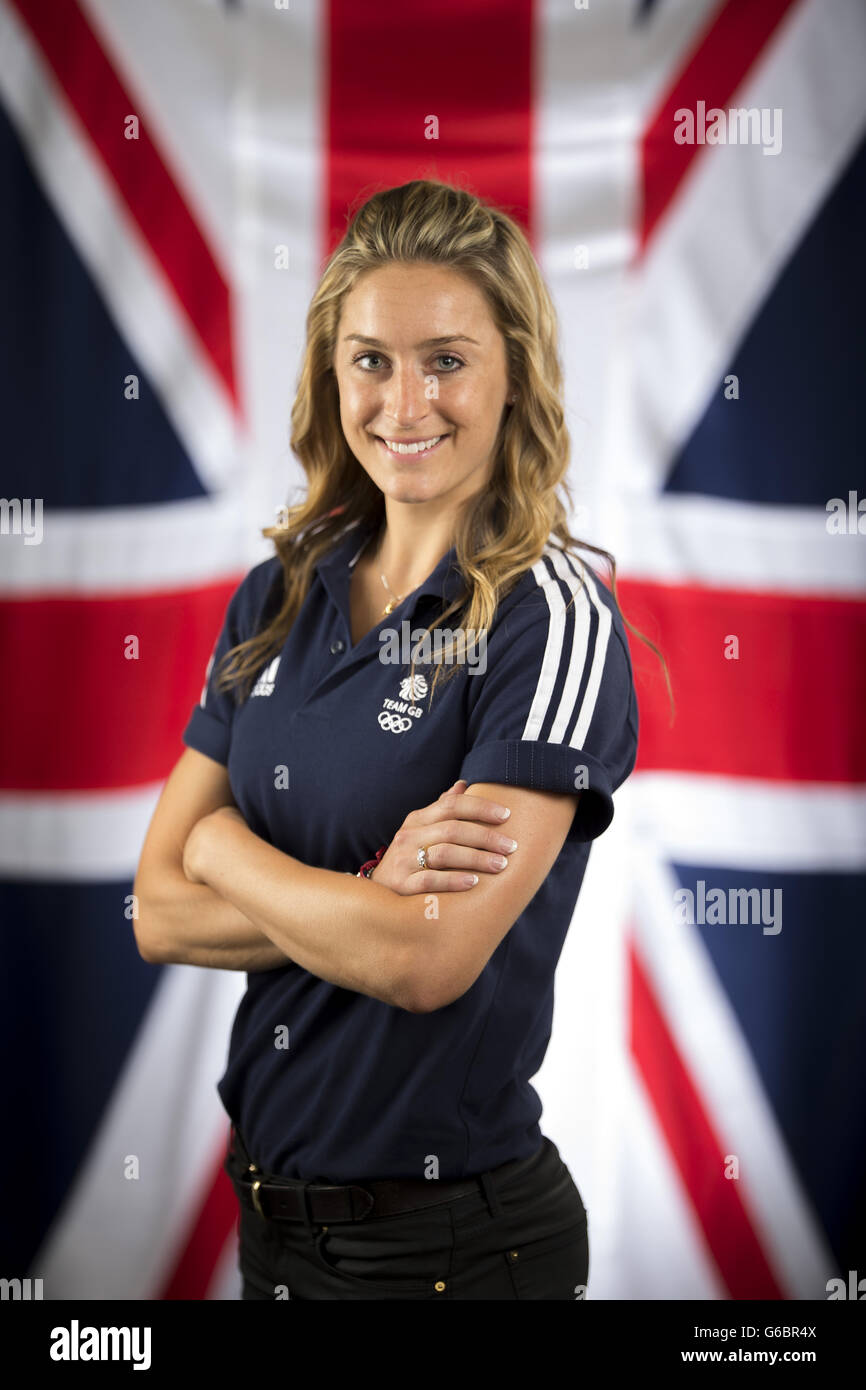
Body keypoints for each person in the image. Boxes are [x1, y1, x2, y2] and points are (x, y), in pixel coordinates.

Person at [133, 178, 668, 1300]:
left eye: (447, 359)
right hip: (272, 1222)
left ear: (512, 372)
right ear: (331, 376)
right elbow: (158, 909)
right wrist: (364, 890)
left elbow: (423, 960)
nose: (405, 401)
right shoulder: (276, 595)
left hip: (449, 1253)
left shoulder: (547, 617)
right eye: (370, 359)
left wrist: (226, 847)